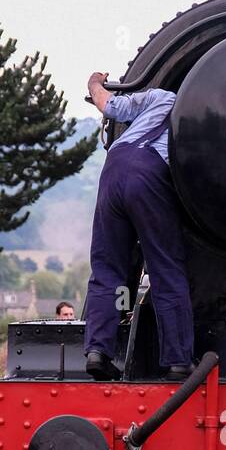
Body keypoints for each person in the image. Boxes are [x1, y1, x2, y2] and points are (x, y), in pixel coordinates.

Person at [83, 71, 195, 382]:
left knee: (106, 268)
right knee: (165, 267)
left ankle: (98, 352)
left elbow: (110, 106)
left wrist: (94, 83)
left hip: (114, 168)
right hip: (150, 177)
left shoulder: (160, 98)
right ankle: (177, 362)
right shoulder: (208, 118)